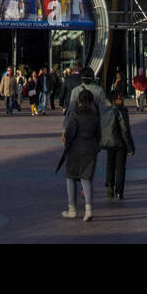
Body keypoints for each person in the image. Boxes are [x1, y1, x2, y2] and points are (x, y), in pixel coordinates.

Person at [61, 89, 101, 222]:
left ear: (79, 101)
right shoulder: (95, 115)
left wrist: (66, 145)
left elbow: (71, 132)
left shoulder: (75, 114)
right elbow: (98, 134)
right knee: (86, 178)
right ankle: (88, 210)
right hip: (91, 148)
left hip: (76, 148)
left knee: (71, 176)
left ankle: (72, 209)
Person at [102, 91, 136, 202]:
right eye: (120, 98)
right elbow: (125, 130)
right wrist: (130, 146)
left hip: (109, 142)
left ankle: (110, 185)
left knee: (110, 164)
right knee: (120, 167)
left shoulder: (106, 111)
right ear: (114, 101)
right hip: (120, 143)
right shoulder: (121, 111)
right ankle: (119, 190)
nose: (122, 100)